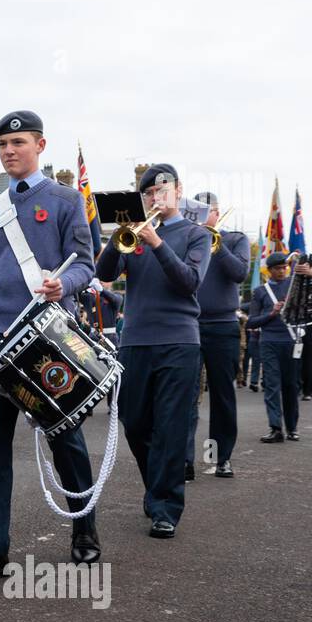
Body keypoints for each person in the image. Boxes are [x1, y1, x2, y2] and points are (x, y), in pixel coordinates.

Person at [0, 109, 99, 580]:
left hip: (50, 338)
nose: (10, 151)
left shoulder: (67, 200)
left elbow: (86, 266)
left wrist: (62, 286)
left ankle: (84, 530)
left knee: (65, 438)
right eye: (3, 146)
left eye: (19, 144)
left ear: (40, 147)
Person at [95, 163, 210, 540]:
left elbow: (188, 282)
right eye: (148, 192)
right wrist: (118, 236)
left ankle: (165, 507)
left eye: (162, 190)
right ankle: (155, 486)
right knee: (135, 421)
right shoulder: (135, 235)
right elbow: (105, 272)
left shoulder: (196, 235)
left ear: (178, 191)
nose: (155, 196)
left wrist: (157, 244)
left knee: (171, 427)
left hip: (179, 340)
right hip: (136, 341)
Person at [185, 196, 250, 478]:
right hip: (188, 325)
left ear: (217, 213)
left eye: (204, 211)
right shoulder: (186, 239)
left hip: (223, 326)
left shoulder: (235, 239)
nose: (198, 216)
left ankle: (218, 457)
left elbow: (239, 273)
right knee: (185, 396)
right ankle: (185, 460)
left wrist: (217, 244)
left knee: (222, 397)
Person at [247, 251, 312, 441]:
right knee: (272, 386)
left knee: (291, 387)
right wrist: (271, 313)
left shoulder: (297, 283)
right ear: (268, 271)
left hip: (292, 342)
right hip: (269, 342)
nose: (282, 271)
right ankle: (276, 428)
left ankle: (292, 428)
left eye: (284, 267)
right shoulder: (260, 292)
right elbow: (252, 322)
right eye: (277, 268)